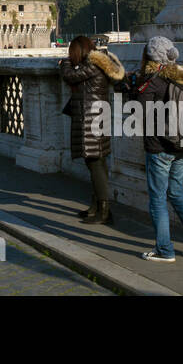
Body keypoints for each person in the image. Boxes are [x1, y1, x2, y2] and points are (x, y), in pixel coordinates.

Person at [135, 36, 183, 262]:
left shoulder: (152, 82)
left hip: (159, 147)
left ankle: (164, 250)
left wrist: (134, 90)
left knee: (158, 199)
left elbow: (139, 114)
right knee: (177, 192)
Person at [59, 35, 126, 224]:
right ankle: (96, 207)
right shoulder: (99, 64)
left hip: (91, 120)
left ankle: (104, 212)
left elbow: (69, 75)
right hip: (96, 119)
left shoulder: (92, 66)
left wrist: (64, 63)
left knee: (95, 164)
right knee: (96, 163)